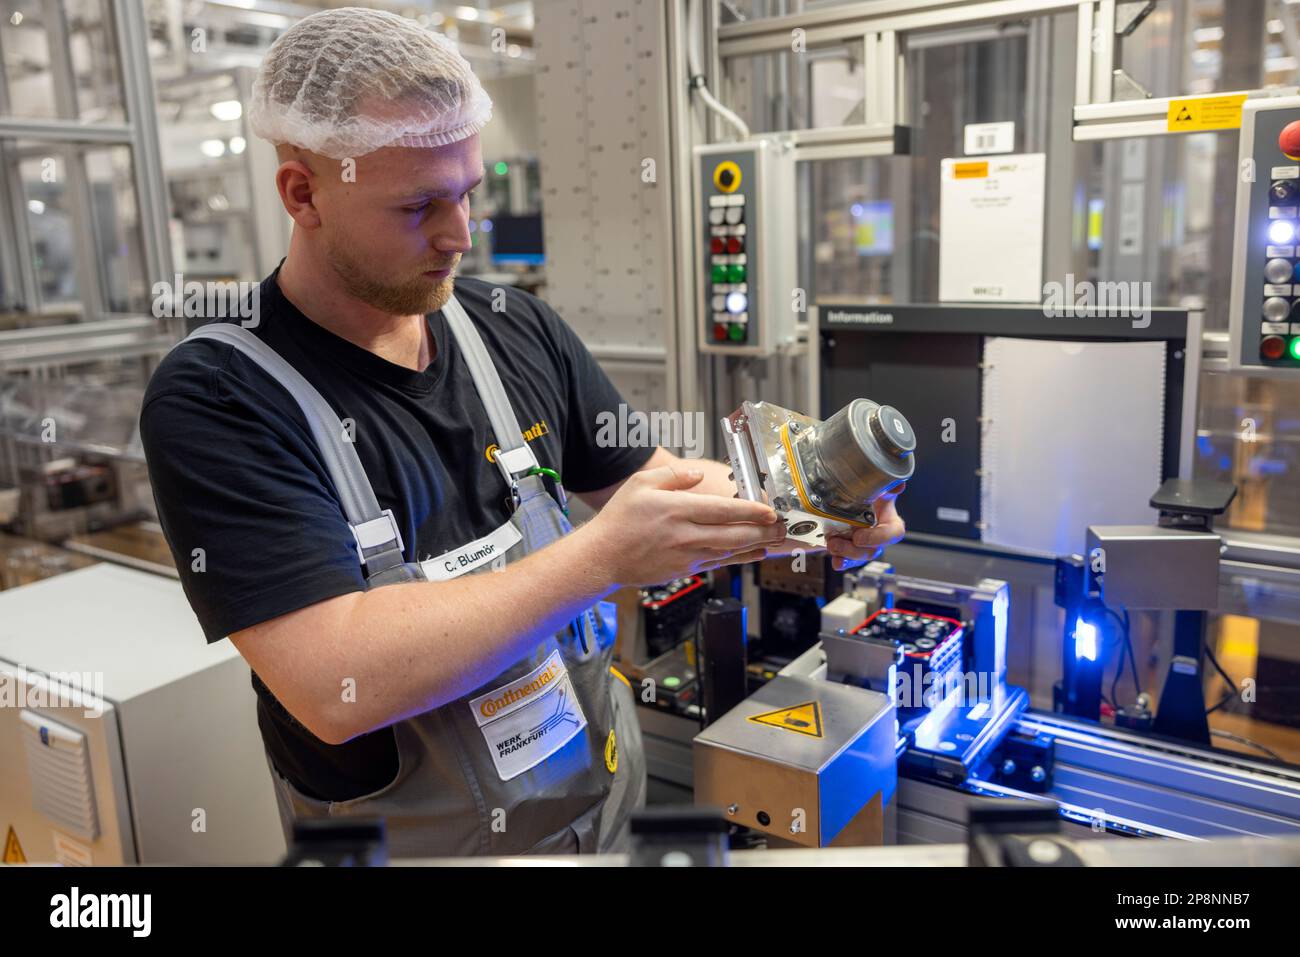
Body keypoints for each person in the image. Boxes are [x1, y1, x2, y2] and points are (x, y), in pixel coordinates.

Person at [139, 6, 904, 857]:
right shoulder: (221, 396)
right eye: (418, 206)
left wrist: (820, 499)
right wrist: (599, 558)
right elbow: (335, 682)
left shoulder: (511, 327)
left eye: (466, 192)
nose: (460, 235)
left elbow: (664, 488)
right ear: (302, 192)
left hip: (604, 812)